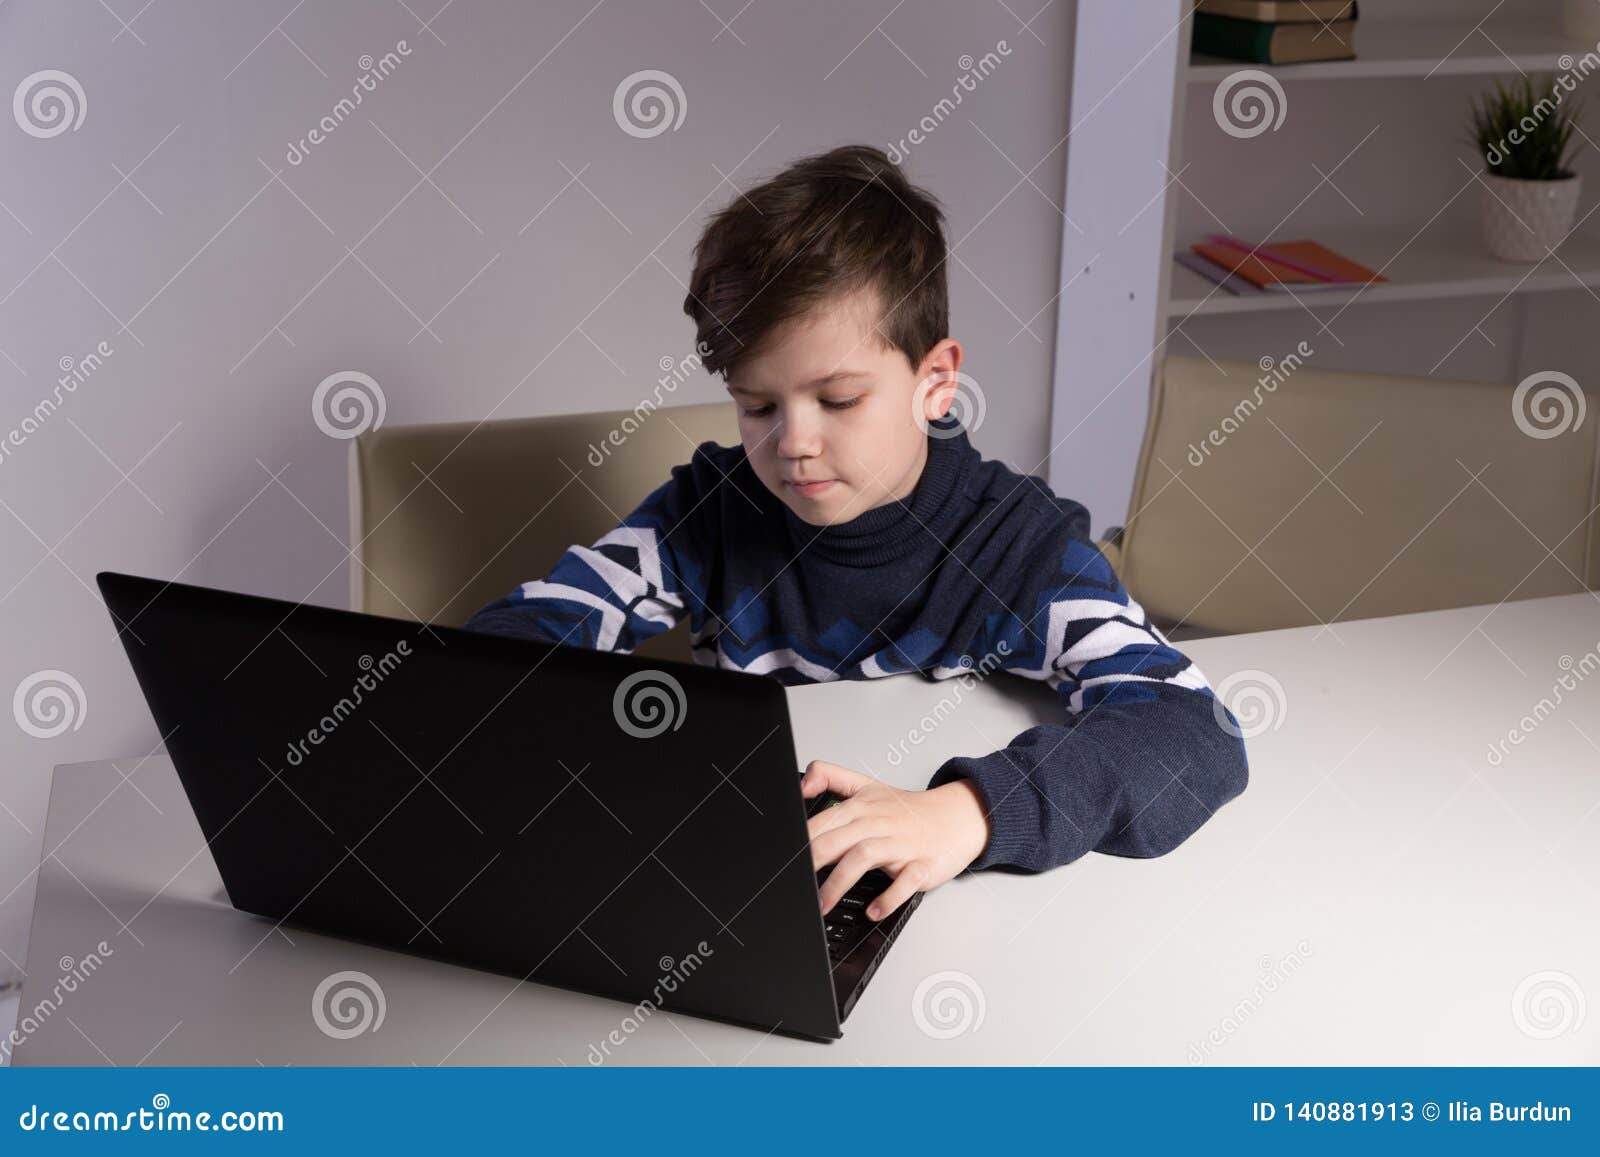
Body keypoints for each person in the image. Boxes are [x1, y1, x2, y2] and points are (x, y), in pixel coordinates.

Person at [465, 143, 1249, 924]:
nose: (792, 443)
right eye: (759, 406)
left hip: (965, 905)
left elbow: (1192, 730)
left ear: (936, 383)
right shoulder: (707, 514)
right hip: (750, 889)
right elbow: (522, 634)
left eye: (837, 400)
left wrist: (969, 810)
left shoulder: (1018, 547)